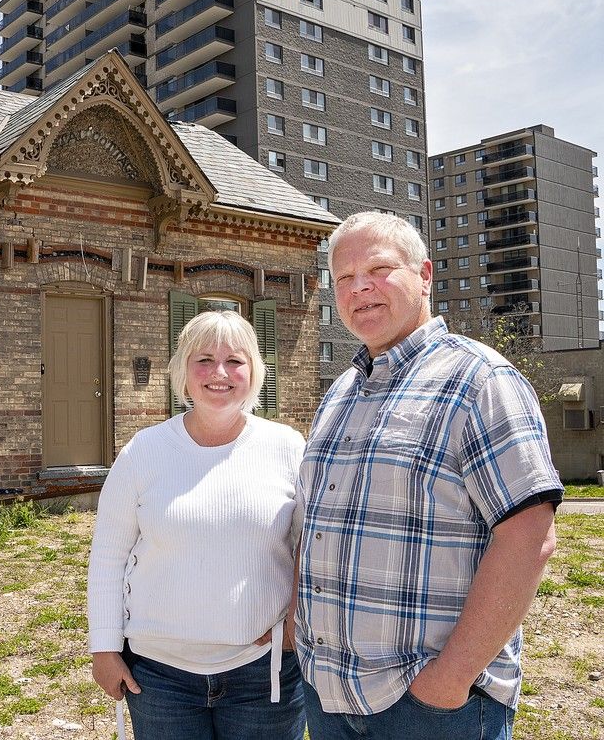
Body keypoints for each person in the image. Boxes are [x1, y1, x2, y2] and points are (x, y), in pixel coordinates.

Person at [294, 211, 561, 740]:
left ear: (425, 276)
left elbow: (529, 536)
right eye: (343, 277)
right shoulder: (341, 394)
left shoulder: (479, 380)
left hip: (429, 707)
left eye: (378, 268)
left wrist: (451, 678)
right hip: (329, 696)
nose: (359, 287)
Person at [87, 310, 306, 740]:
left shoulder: (287, 447)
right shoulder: (144, 452)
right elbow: (108, 558)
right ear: (183, 372)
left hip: (263, 674)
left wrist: (296, 624)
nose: (219, 373)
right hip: (160, 678)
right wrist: (104, 649)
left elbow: (310, 547)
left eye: (235, 361)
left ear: (255, 372)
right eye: (203, 359)